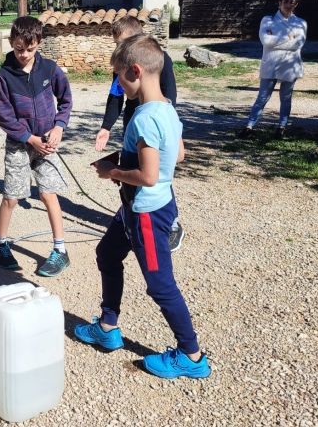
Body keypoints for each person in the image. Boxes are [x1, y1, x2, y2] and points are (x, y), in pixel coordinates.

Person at [75, 34, 211, 380]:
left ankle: (191, 356)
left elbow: (149, 175)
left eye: (119, 77)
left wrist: (112, 171)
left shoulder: (142, 118)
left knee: (160, 285)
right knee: (107, 254)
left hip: (146, 213)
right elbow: (177, 154)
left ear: (135, 71)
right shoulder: (167, 109)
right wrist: (126, 158)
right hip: (136, 207)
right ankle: (108, 326)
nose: (119, 84)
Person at [95, 16, 184, 252]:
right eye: (116, 44)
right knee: (134, 167)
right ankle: (130, 216)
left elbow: (170, 96)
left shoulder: (158, 60)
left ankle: (170, 222)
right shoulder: (123, 65)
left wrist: (166, 125)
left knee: (154, 171)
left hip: (153, 123)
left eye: (122, 43)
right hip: (135, 124)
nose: (119, 49)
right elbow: (115, 96)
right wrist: (106, 126)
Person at [0, 16, 73, 277]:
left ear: (39, 43)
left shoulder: (50, 69)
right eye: (18, 49)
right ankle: (0, 243)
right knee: (12, 196)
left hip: (47, 142)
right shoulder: (5, 75)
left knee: (49, 193)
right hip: (20, 143)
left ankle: (60, 250)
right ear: (11, 42)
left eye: (30, 49)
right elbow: (4, 115)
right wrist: (29, 138)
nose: (24, 54)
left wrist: (59, 126)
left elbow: (65, 100)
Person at [238, 0, 307, 139]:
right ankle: (249, 126)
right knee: (263, 97)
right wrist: (288, 38)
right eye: (286, 1)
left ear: (296, 5)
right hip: (271, 63)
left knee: (286, 97)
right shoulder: (268, 20)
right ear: (280, 2)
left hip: (290, 65)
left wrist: (277, 39)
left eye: (292, 2)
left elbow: (298, 43)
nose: (288, 5)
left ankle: (282, 127)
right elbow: (266, 41)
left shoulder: (300, 23)